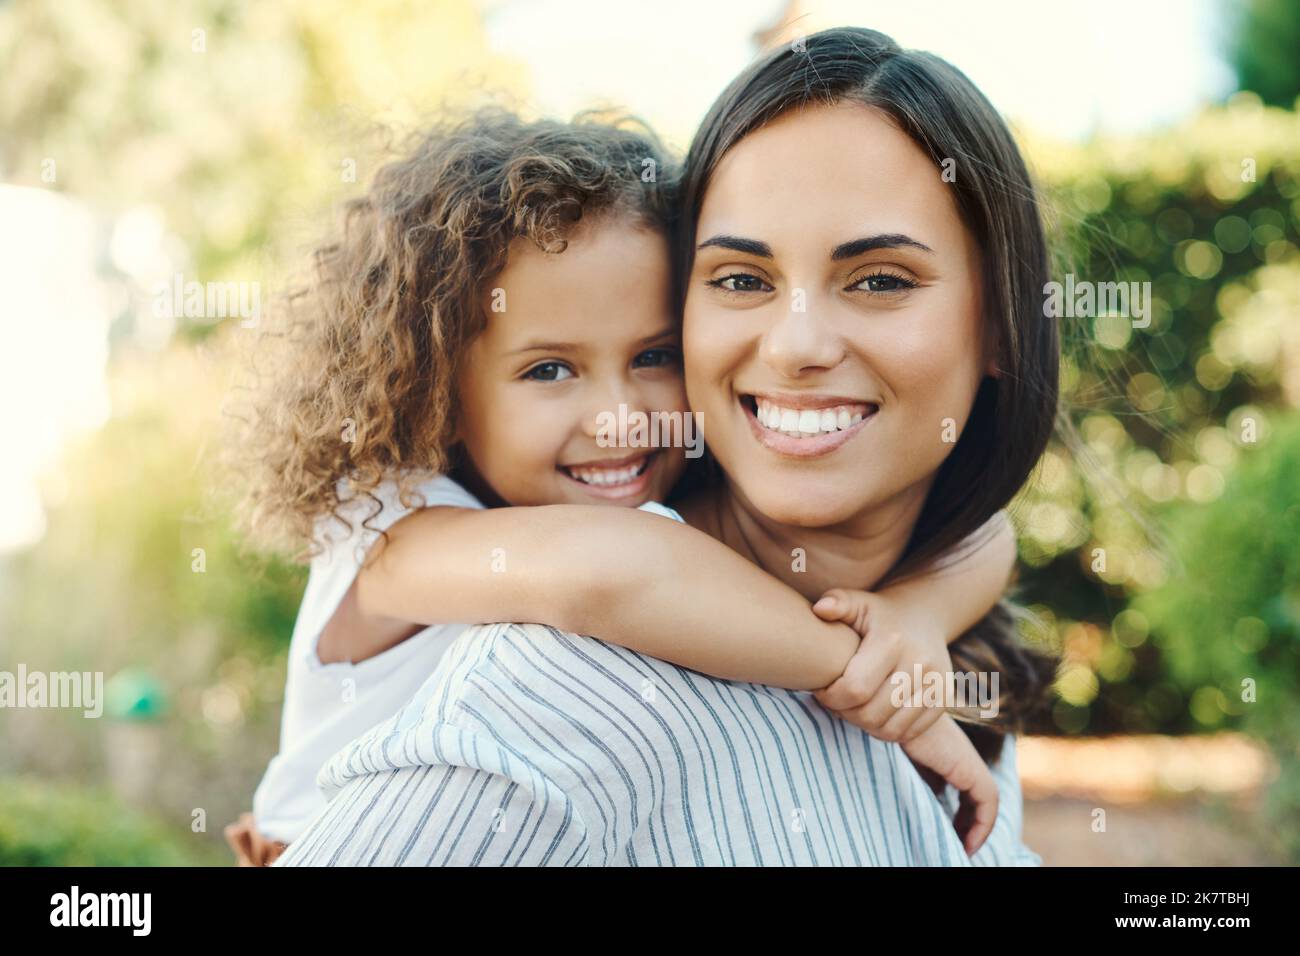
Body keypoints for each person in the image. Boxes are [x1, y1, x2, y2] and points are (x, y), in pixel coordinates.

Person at [274, 26, 1058, 866]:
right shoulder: (401, 538)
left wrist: (918, 618)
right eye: (743, 280)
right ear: (439, 392)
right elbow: (614, 572)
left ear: (1004, 323)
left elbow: (986, 534)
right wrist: (863, 668)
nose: (619, 415)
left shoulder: (936, 641)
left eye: (652, 357)